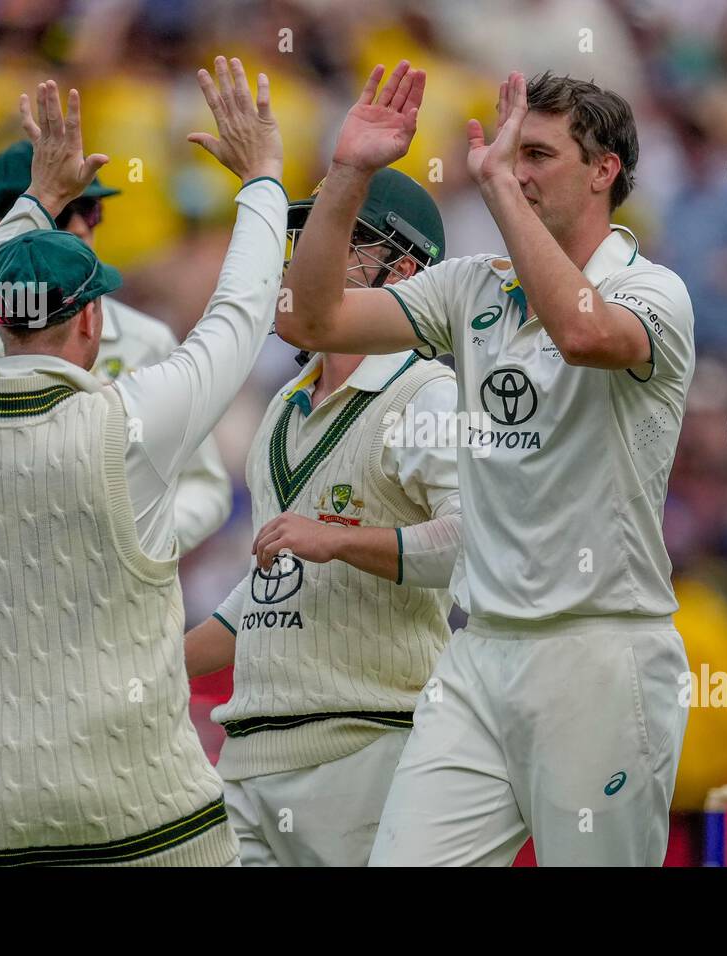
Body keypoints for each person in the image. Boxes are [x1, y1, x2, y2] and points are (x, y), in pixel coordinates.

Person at [279, 63, 696, 866]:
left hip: (601, 653)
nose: (517, 166)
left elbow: (583, 334)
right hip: (479, 654)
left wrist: (499, 187)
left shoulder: (654, 291)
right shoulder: (474, 287)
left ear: (605, 170)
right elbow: (313, 319)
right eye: (511, 151)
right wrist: (350, 174)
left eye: (538, 154)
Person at [0, 59, 285, 867]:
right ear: (88, 327)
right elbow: (241, 314)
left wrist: (34, 202)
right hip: (147, 829)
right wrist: (261, 180)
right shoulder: (130, 421)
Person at [184, 167, 461, 866]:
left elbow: (473, 545)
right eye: (300, 236)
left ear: (404, 268)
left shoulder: (430, 393)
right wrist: (156, 667)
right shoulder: (282, 406)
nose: (303, 255)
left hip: (368, 745)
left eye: (337, 239)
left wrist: (338, 542)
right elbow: (275, 588)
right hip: (249, 753)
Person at [0, 141, 231, 597]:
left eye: (95, 213)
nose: (89, 229)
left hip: (120, 617)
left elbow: (206, 487)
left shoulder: (146, 340)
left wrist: (133, 551)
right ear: (6, 229)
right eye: (75, 211)